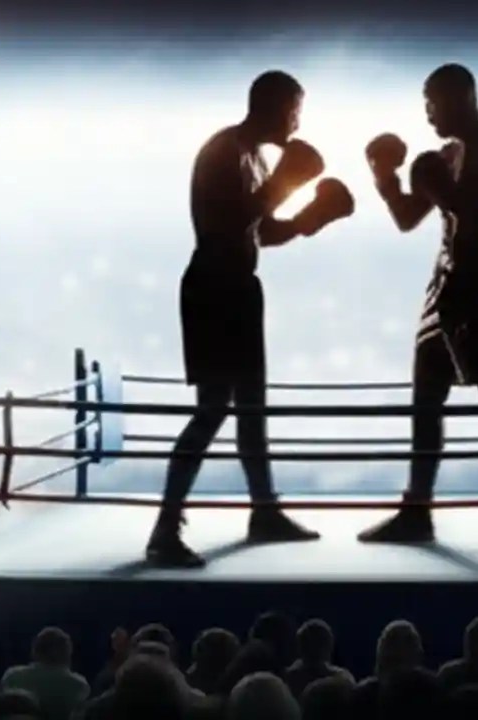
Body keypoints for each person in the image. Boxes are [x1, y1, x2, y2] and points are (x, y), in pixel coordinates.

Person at [147, 69, 356, 568]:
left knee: (252, 412)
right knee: (212, 411)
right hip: (213, 289)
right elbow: (226, 224)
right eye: (294, 111)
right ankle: (163, 531)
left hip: (240, 289)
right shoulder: (222, 151)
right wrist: (290, 181)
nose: (298, 122)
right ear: (273, 106)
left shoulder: (256, 157)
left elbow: (263, 232)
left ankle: (264, 512)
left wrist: (313, 217)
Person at [359, 63, 478, 563]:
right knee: (425, 406)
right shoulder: (448, 155)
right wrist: (385, 178)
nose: (428, 115)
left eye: (433, 103)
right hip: (443, 290)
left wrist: (440, 187)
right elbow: (407, 217)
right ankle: (416, 511)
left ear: (460, 97)